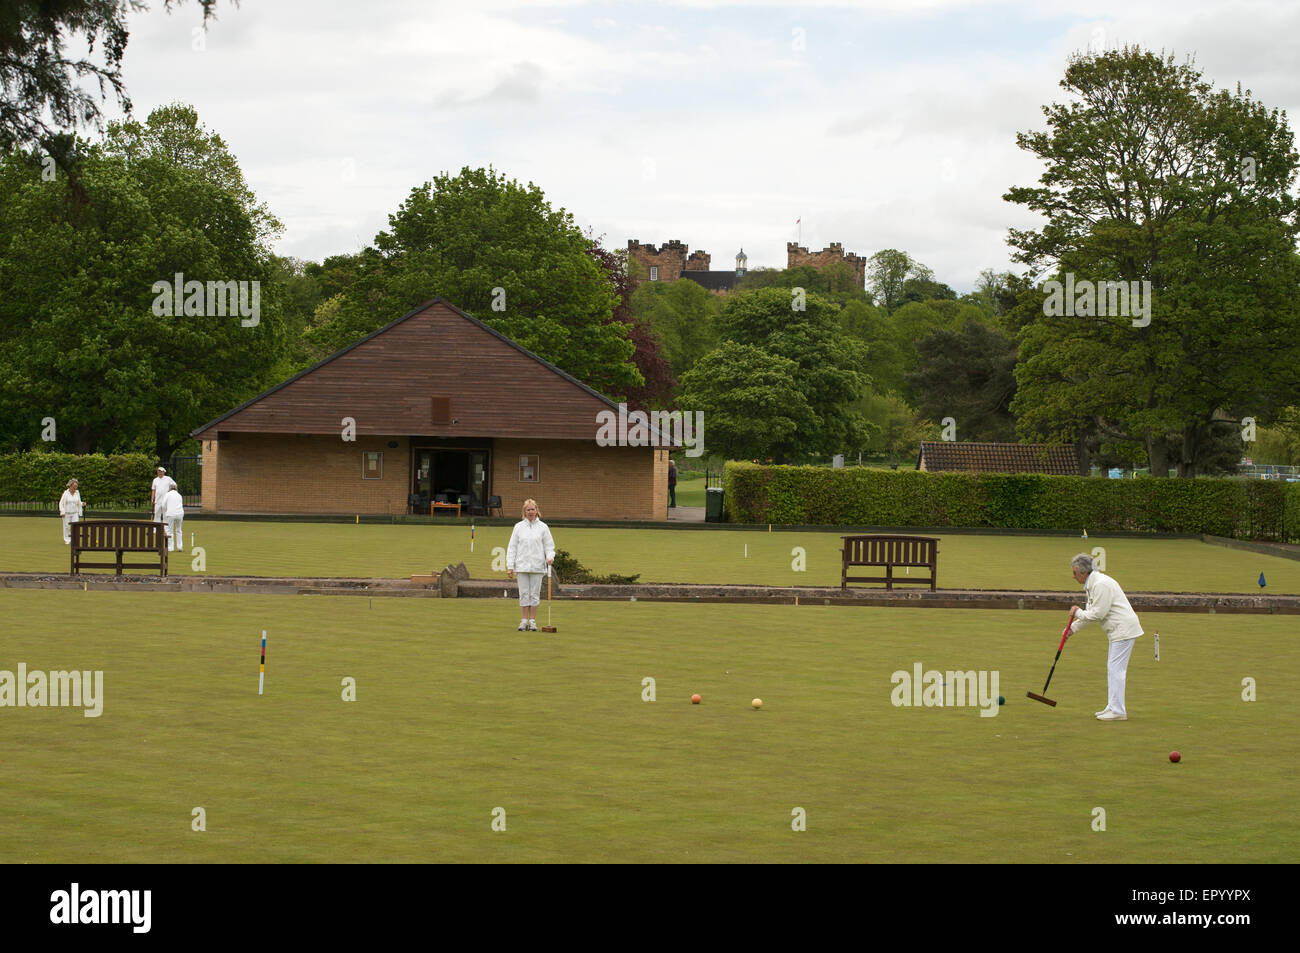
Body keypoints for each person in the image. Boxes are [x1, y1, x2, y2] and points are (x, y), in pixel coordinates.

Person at [1067, 553, 1143, 721]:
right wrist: (1072, 629)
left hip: (1123, 630)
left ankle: (1118, 711)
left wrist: (1077, 611)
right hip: (1118, 630)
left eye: (1075, 573)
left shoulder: (1101, 584)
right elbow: (1091, 614)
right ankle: (1112, 707)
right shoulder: (1093, 585)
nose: (1073, 576)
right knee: (1113, 668)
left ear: (1084, 572)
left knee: (1116, 669)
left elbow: (1098, 614)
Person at [506, 499, 555, 632]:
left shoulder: (543, 527)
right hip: (521, 566)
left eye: (533, 509)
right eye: (528, 510)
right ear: (524, 512)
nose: (531, 512)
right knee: (524, 593)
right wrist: (510, 566)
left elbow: (549, 546)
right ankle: (523, 621)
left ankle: (532, 621)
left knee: (534, 594)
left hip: (537, 567)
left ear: (536, 510)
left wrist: (550, 557)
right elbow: (512, 547)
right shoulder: (518, 527)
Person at [59, 478, 84, 544]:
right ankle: (67, 540)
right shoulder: (65, 493)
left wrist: (82, 503)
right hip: (66, 513)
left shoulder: (77, 493)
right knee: (67, 527)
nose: (75, 488)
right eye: (74, 486)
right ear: (70, 486)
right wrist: (62, 511)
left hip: (75, 513)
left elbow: (78, 502)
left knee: (75, 526)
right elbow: (61, 503)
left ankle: (74, 540)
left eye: (76, 486)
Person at [161, 484, 185, 552]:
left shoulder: (167, 494)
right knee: (179, 530)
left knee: (170, 530)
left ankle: (171, 547)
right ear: (176, 488)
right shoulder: (179, 495)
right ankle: (180, 547)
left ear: (169, 488)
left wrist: (165, 513)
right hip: (180, 514)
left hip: (171, 514)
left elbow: (163, 505)